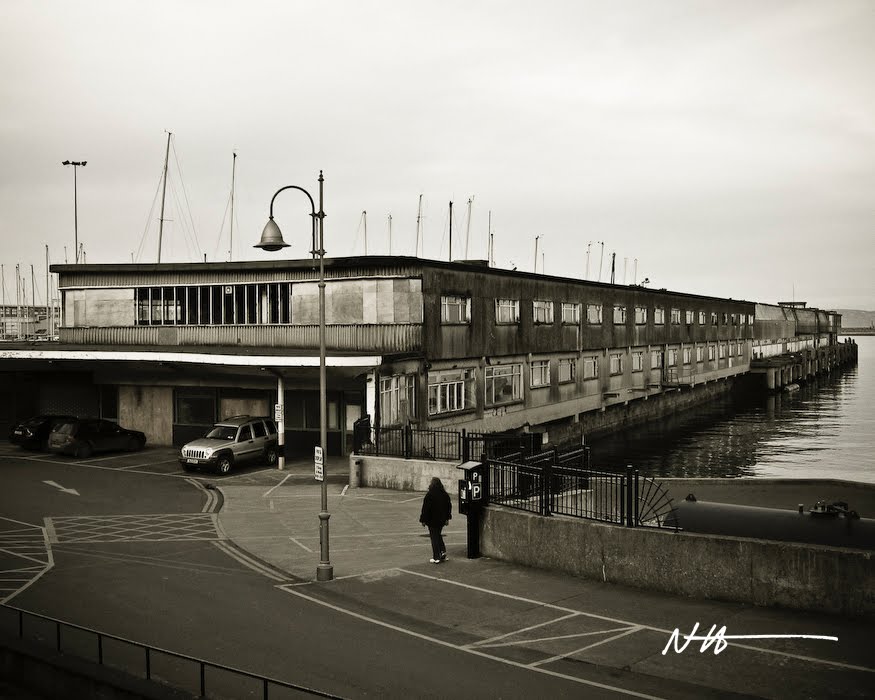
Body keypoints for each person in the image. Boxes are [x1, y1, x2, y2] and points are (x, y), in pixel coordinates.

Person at [419, 477, 452, 563]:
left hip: (432, 520)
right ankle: (442, 553)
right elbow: (448, 507)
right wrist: (447, 518)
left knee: (434, 537)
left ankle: (436, 557)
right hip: (441, 520)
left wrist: (423, 520)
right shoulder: (444, 494)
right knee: (438, 535)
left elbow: (425, 509)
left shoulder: (430, 494)